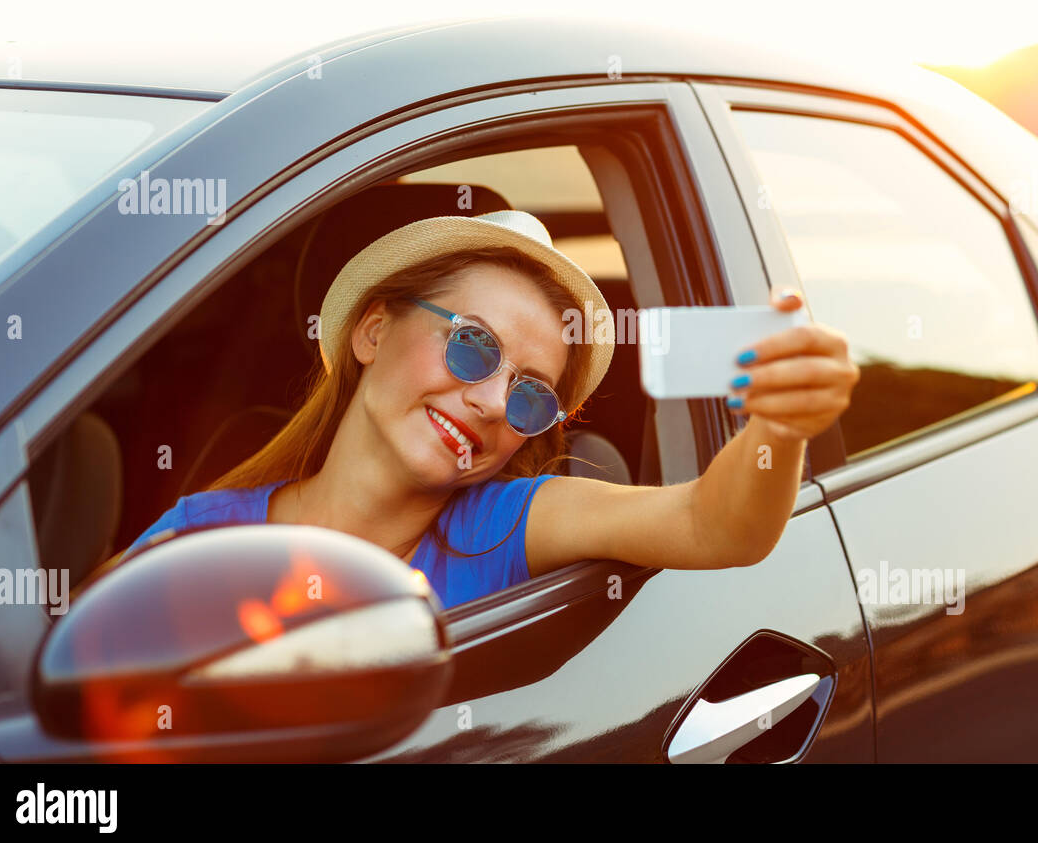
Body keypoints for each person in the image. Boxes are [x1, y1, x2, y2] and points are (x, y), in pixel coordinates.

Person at [124, 209, 860, 607]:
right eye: (472, 346)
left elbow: (712, 525)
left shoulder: (503, 529)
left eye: (530, 394)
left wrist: (780, 425)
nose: (487, 402)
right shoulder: (193, 539)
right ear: (373, 331)